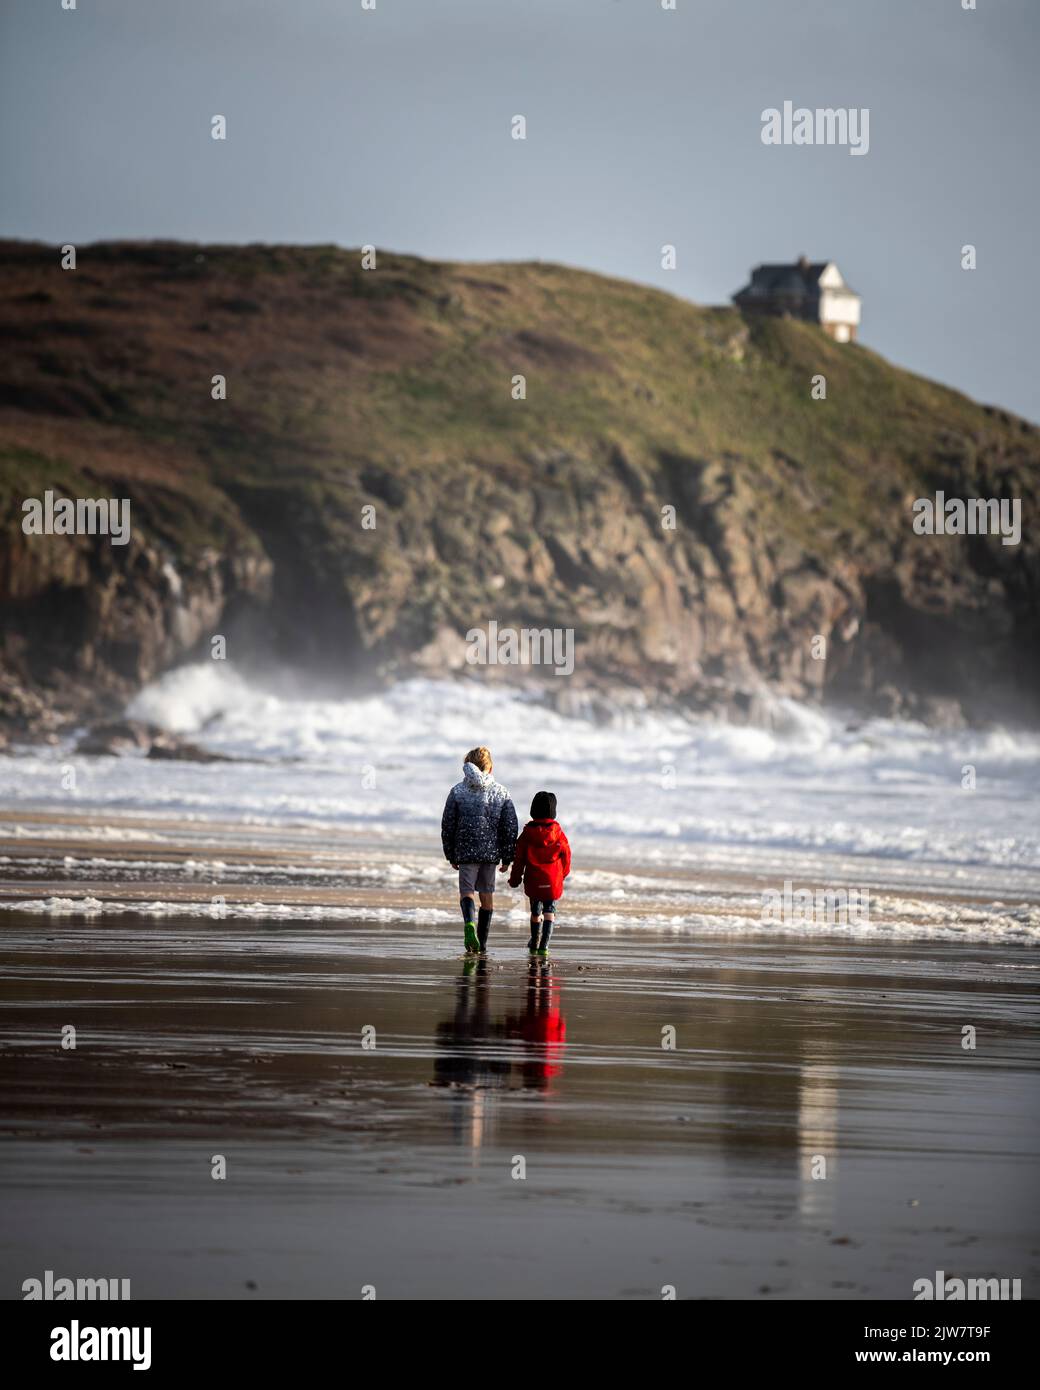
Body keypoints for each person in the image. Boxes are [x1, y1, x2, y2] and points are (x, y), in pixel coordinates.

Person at [440, 746, 518, 954]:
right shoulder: (501, 792)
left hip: (465, 851)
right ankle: (482, 944)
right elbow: (509, 826)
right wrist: (508, 857)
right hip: (490, 854)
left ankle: (469, 924)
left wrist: (450, 853)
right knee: (487, 895)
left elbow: (448, 824)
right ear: (490, 768)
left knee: (466, 891)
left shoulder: (457, 791)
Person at [509, 791, 571, 956]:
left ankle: (535, 940)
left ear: (533, 810)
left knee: (536, 912)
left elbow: (519, 859)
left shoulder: (527, 834)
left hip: (534, 880)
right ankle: (545, 945)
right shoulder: (558, 834)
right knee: (549, 910)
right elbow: (566, 856)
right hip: (553, 881)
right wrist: (562, 875)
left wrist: (515, 879)